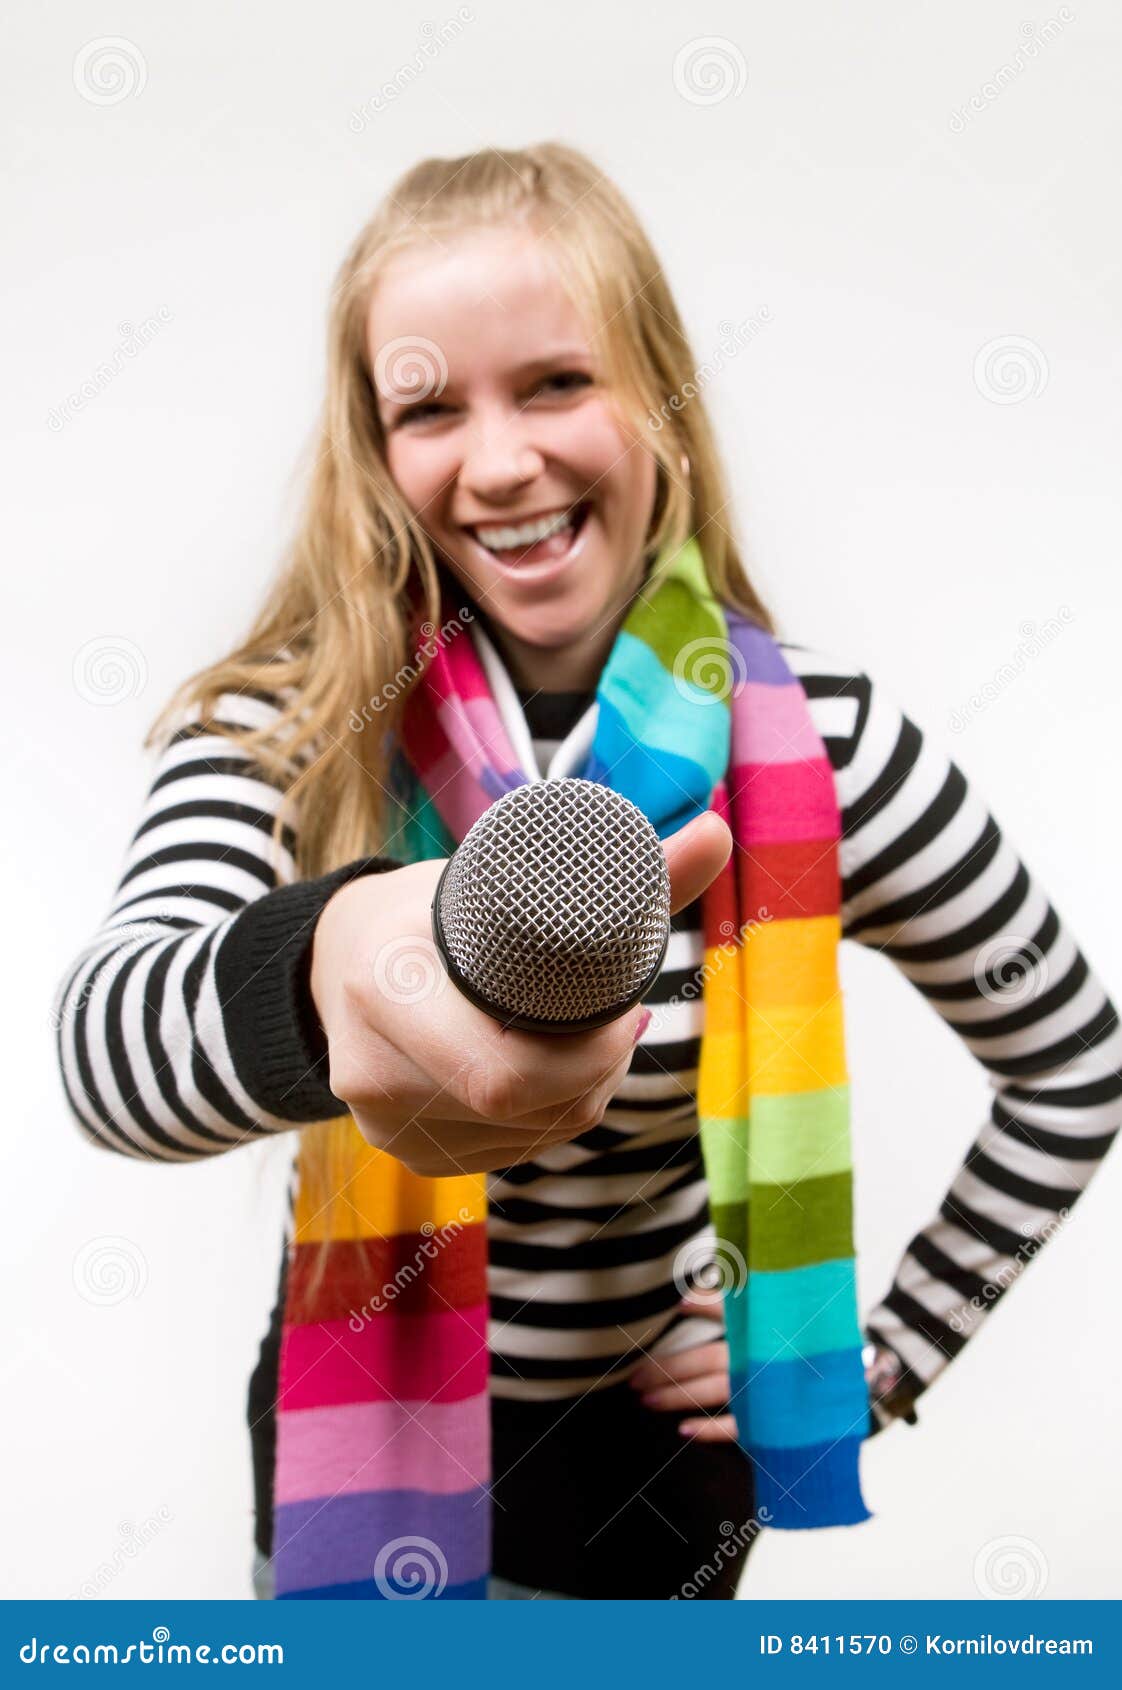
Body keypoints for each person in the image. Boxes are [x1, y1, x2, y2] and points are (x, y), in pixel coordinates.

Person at [54, 141, 1121, 1602]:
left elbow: (1074, 1060)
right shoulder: (290, 724)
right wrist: (331, 959)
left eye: (556, 383)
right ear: (374, 448)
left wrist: (882, 1355)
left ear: (660, 400)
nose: (499, 463)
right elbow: (106, 1060)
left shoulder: (821, 745)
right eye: (430, 406)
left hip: (649, 1490)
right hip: (345, 1442)